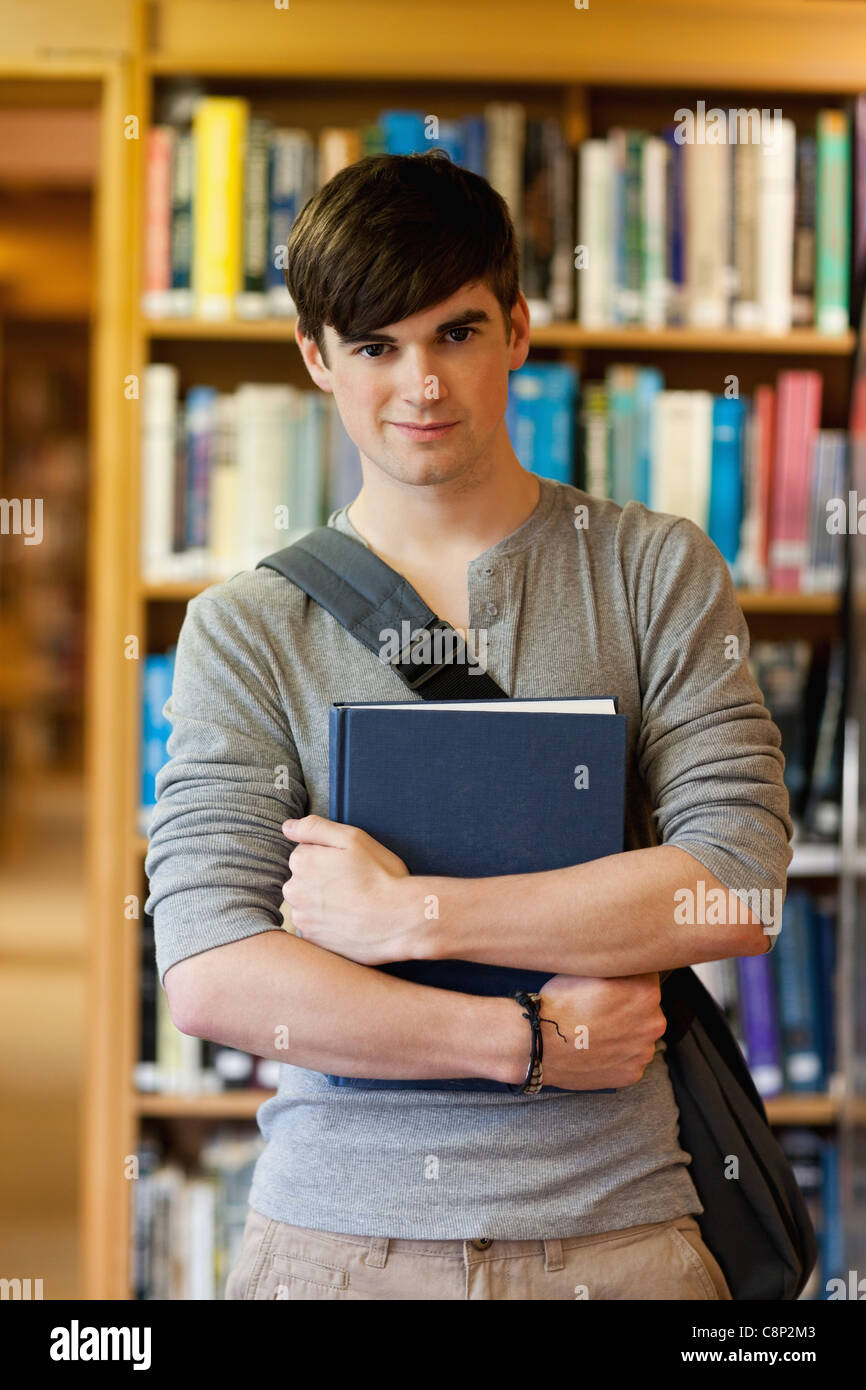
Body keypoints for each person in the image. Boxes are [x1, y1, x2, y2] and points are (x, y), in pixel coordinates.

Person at [144, 151, 792, 1301]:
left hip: (622, 1235)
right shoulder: (243, 627)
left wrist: (409, 915)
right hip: (335, 1248)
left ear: (518, 332)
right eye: (375, 346)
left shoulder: (652, 570)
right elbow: (209, 971)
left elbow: (732, 884)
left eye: (455, 332)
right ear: (315, 360)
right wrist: (525, 1042)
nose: (421, 384)